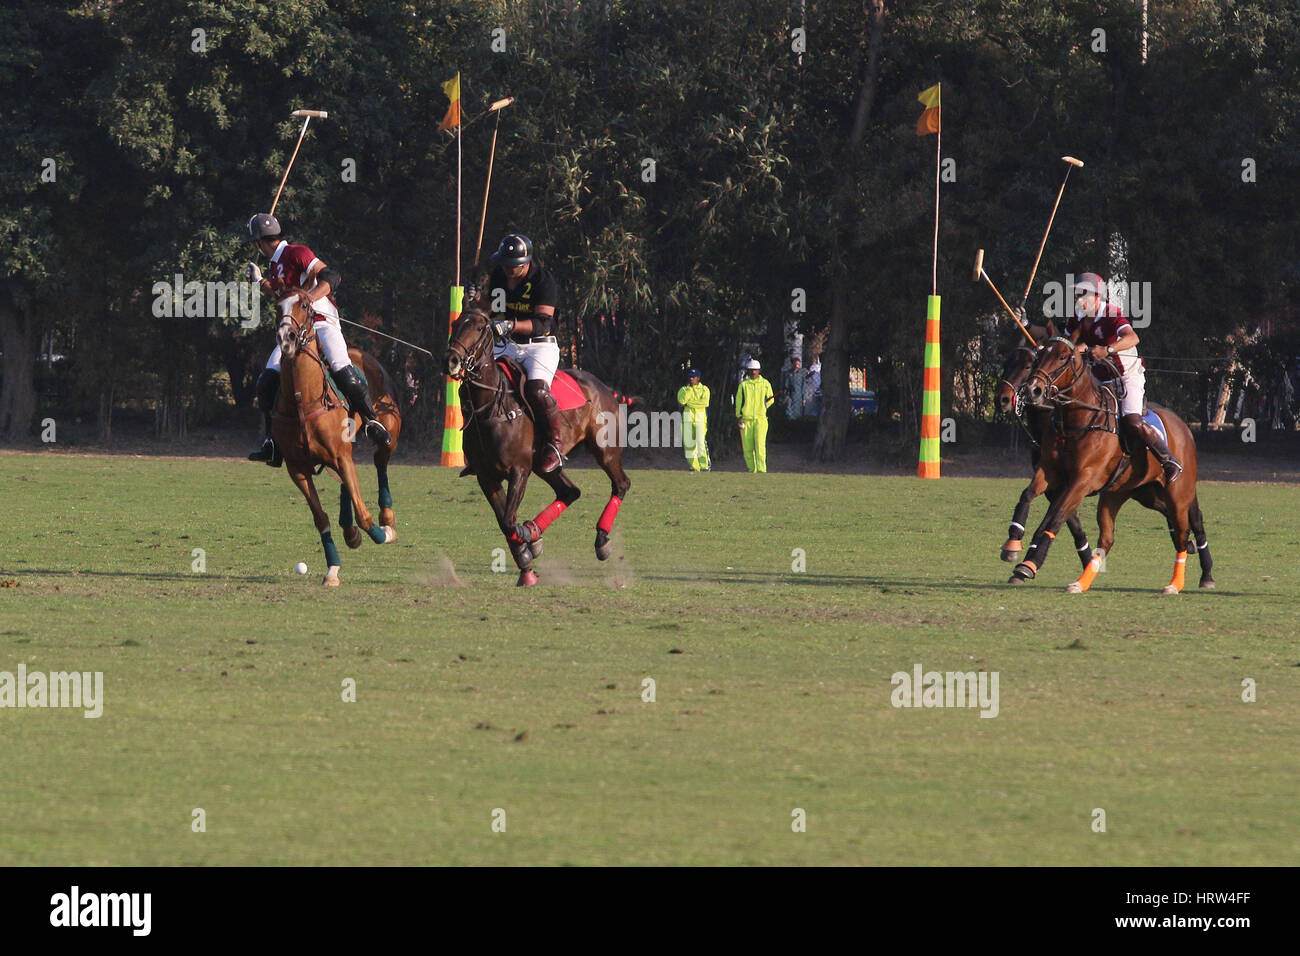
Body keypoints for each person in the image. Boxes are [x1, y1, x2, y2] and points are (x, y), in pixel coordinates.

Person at [244, 213, 390, 466]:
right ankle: (272, 442)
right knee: (266, 382)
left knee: (342, 368)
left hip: (321, 322)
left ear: (259, 242)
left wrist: (309, 298)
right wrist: (258, 281)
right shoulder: (274, 264)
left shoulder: (297, 252)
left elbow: (331, 276)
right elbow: (279, 295)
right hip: (293, 331)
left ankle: (371, 421)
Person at [1067, 272, 1182, 482]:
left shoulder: (1111, 314)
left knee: (1132, 420)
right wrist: (1027, 324)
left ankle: (1168, 460)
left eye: (1084, 294)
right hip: (1099, 380)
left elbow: (1132, 337)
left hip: (1127, 376)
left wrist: (1107, 350)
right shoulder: (1078, 317)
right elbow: (1063, 343)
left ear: (1097, 296)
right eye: (1077, 294)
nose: (1079, 299)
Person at [470, 234, 565, 473]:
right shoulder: (500, 276)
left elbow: (543, 323)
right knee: (476, 384)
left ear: (525, 263)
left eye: (511, 265)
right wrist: (476, 298)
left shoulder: (544, 282)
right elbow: (493, 309)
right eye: (503, 263)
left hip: (539, 345)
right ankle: (477, 449)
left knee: (537, 390)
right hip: (507, 344)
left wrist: (511, 325)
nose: (506, 268)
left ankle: (554, 445)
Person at [735, 358, 774, 473]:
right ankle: (752, 469)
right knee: (747, 447)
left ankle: (762, 470)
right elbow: (738, 401)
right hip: (746, 420)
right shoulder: (743, 385)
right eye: (751, 370)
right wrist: (739, 416)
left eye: (755, 370)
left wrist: (764, 406)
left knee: (760, 446)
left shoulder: (765, 383)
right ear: (748, 371)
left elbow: (771, 399)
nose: (753, 372)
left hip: (760, 419)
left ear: (759, 370)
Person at [677, 368, 711, 471]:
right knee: (689, 444)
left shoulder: (705, 389)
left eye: (694, 377)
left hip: (700, 418)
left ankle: (704, 466)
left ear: (698, 378)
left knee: (700, 443)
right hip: (688, 418)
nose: (691, 379)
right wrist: (690, 391)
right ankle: (694, 467)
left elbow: (705, 403)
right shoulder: (684, 390)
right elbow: (682, 401)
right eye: (690, 377)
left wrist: (690, 404)